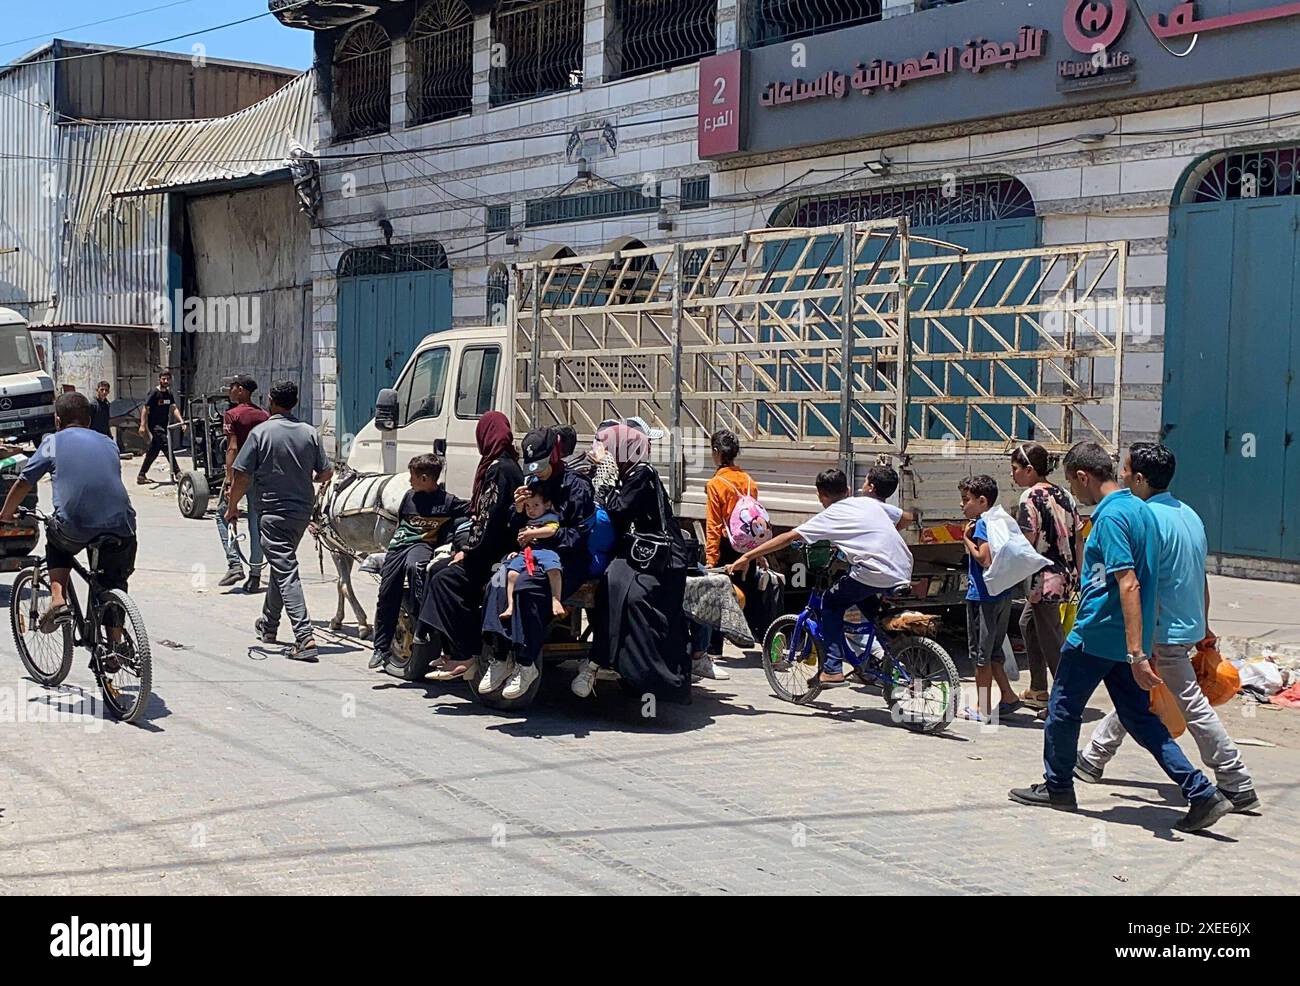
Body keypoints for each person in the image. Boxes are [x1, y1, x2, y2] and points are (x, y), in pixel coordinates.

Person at [1009, 441, 1231, 833]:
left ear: (1083, 476)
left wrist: (1135, 652)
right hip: (1129, 637)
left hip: (1097, 634)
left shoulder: (1111, 518)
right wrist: (1141, 644)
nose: (1074, 493)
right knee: (1140, 720)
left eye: (1073, 484)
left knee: (1062, 710)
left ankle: (1058, 786)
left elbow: (1127, 583)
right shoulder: (1143, 511)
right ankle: (1200, 791)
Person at [1076, 443, 1258, 813]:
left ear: (1140, 478)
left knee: (1189, 703)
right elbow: (1199, 576)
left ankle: (1235, 779)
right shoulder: (1188, 514)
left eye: (1125, 471)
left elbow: (1139, 580)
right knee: (1139, 694)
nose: (1121, 476)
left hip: (1161, 628)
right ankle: (1093, 757)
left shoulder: (1143, 517)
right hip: (1185, 622)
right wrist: (1204, 626)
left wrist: (1136, 639)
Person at [730, 468, 913, 685]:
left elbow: (789, 537)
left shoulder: (830, 515)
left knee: (830, 604)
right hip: (903, 567)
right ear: (846, 490)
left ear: (820, 496)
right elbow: (906, 517)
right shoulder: (866, 502)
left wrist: (748, 556)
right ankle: (875, 661)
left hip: (875, 572)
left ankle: (833, 669)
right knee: (862, 603)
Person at [572, 423, 691, 701]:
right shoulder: (628, 473)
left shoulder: (642, 473)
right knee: (610, 583)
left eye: (611, 449)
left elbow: (619, 509)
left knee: (631, 594)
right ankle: (603, 659)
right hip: (636, 551)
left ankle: (609, 664)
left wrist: (605, 475)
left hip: (660, 556)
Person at [0, 393, 136, 635]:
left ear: (57, 419)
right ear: (89, 419)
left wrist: (6, 513)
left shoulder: (52, 441)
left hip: (75, 526)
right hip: (122, 525)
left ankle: (57, 600)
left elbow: (24, 481)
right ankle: (115, 644)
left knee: (56, 543)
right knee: (113, 580)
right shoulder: (108, 442)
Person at [480, 426, 593, 701]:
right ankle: (499, 656)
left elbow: (579, 536)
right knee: (496, 580)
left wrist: (549, 534)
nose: (537, 471)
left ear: (554, 455)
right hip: (530, 554)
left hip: (565, 560)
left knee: (527, 587)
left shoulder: (576, 486)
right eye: (532, 466)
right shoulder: (530, 485)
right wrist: (518, 511)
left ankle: (526, 661)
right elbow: (516, 529)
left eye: (541, 464)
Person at [227, 380, 333, 661]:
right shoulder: (310, 433)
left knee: (285, 568)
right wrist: (303, 477)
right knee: (281, 563)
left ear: (271, 400)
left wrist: (232, 506)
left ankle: (305, 637)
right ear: (295, 403)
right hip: (301, 513)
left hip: (272, 513)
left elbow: (241, 475)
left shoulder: (261, 433)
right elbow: (325, 473)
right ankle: (269, 624)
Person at [419, 411, 523, 681]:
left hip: (493, 553)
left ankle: (465, 654)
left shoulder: (499, 468)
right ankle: (449, 649)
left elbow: (489, 520)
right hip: (492, 548)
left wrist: (466, 549)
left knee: (446, 580)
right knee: (437, 570)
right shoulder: (503, 463)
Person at [369, 453, 470, 670]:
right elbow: (400, 524)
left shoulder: (448, 501)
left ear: (425, 478)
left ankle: (421, 625)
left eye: (412, 476)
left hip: (421, 545)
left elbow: (472, 510)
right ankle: (381, 647)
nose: (409, 480)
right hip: (398, 546)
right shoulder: (409, 496)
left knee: (416, 567)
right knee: (387, 590)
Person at [1010, 441, 1081, 717]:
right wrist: (1078, 572)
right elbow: (1078, 536)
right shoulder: (1064, 494)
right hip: (1064, 573)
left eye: (1015, 469)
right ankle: (1038, 689)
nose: (1013, 474)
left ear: (1029, 470)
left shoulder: (1029, 497)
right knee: (1027, 623)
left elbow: (1026, 542)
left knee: (1053, 640)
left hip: (1043, 578)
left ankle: (1065, 700)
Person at [959, 474, 1021, 721]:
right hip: (1002, 593)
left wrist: (966, 539)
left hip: (983, 596)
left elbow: (985, 558)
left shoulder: (982, 524)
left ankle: (981, 708)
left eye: (967, 500)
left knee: (981, 655)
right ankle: (1008, 696)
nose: (963, 505)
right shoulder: (1001, 519)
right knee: (994, 650)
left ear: (982, 501)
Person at [215, 375, 269, 591]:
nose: (229, 390)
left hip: (240, 473)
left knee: (223, 513)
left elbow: (232, 447)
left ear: (241, 390)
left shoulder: (232, 415)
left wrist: (229, 479)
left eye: (232, 387)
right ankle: (255, 575)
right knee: (256, 523)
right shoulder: (264, 415)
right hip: (261, 474)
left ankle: (235, 563)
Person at [500, 481, 565, 621]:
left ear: (546, 505)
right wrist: (518, 548)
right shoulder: (526, 520)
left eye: (536, 505)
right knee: (511, 574)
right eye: (527, 506)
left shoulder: (550, 517)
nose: (531, 510)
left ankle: (556, 599)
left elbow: (551, 530)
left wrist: (531, 534)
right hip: (527, 552)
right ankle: (510, 605)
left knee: (553, 570)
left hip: (545, 550)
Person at [136, 369, 184, 484]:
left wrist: (182, 421)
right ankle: (178, 472)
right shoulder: (154, 393)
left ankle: (141, 475)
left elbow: (173, 408)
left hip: (163, 426)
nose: (166, 381)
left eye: (167, 379)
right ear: (159, 379)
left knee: (154, 451)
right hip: (155, 426)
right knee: (167, 446)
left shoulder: (169, 394)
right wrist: (143, 425)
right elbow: (145, 408)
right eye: (163, 379)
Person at [861, 463, 914, 531]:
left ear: (871, 487)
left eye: (865, 481)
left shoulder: (863, 505)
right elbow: (908, 518)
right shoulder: (889, 512)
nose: (863, 485)